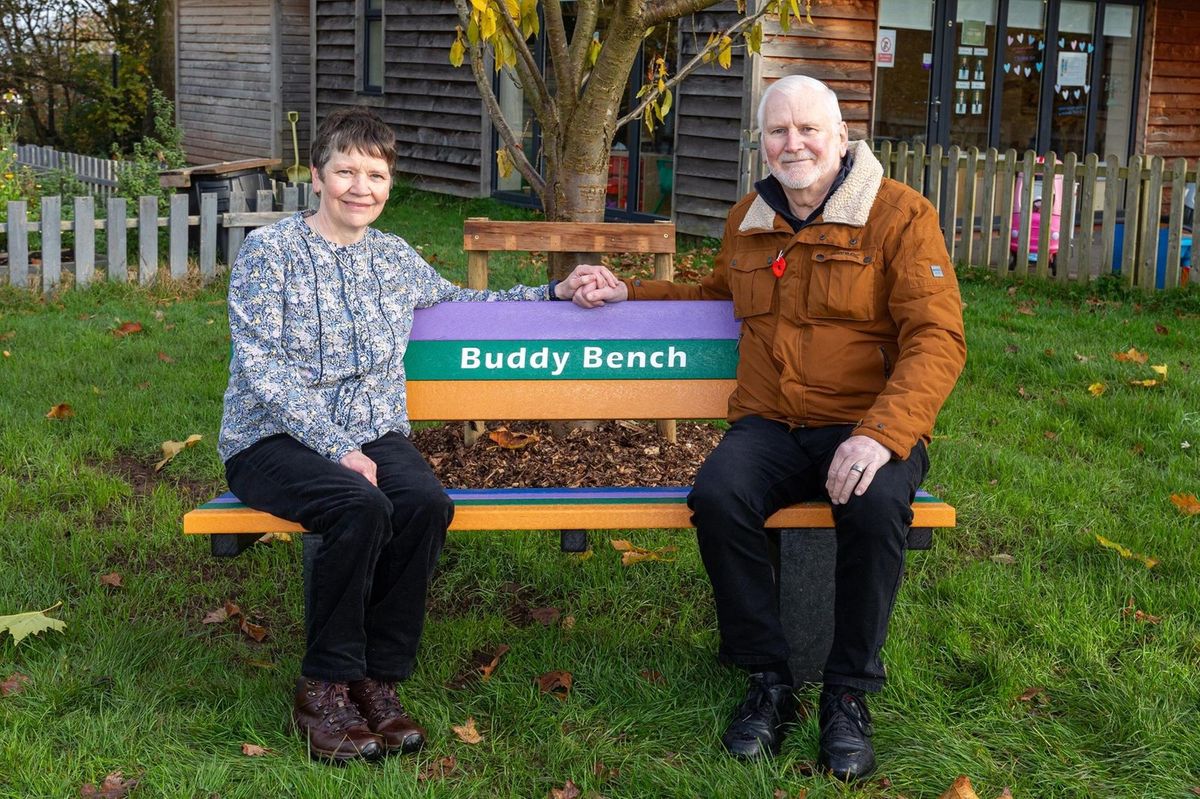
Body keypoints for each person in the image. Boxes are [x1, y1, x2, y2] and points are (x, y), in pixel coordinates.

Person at [570, 75, 966, 780]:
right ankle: (769, 678)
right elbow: (716, 296)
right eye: (779, 131)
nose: (794, 143)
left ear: (841, 136)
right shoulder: (751, 217)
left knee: (875, 505)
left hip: (864, 423)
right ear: (764, 143)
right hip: (773, 424)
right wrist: (633, 292)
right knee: (719, 496)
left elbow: (938, 338)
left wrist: (880, 434)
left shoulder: (900, 215)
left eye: (809, 129)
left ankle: (847, 692)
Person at [218, 107, 617, 764]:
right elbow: (261, 364)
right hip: (272, 439)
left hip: (373, 432)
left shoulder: (393, 258)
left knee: (426, 503)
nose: (360, 186)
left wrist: (556, 290)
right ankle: (323, 685)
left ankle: (376, 677)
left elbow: (466, 305)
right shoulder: (271, 252)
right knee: (357, 502)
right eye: (345, 170)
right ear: (317, 176)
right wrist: (334, 446)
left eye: (374, 173)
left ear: (388, 183)